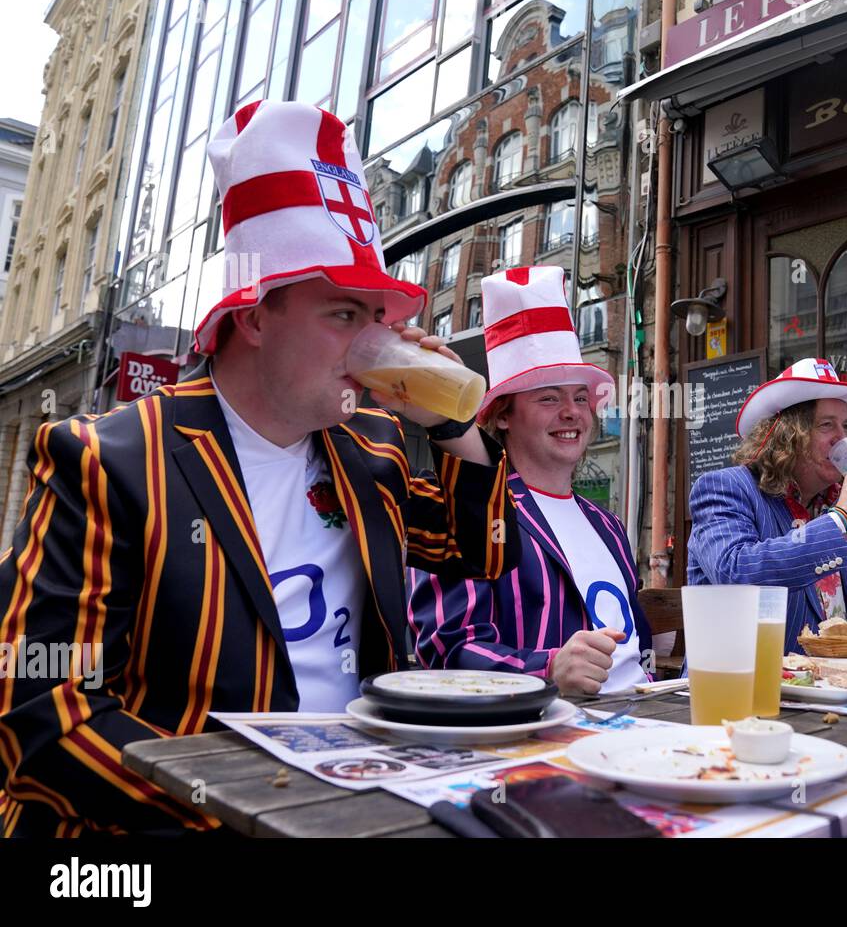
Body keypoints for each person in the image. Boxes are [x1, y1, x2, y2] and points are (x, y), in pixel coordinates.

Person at [0, 101, 516, 836]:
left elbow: (483, 551)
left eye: (378, 319)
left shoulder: (372, 447)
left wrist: (453, 422)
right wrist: (246, 812)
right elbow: (46, 715)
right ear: (254, 317)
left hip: (363, 803)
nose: (372, 345)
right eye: (345, 316)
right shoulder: (108, 461)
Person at [408, 266, 653, 696]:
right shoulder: (466, 506)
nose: (572, 412)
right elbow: (447, 651)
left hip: (649, 730)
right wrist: (548, 669)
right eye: (548, 398)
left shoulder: (609, 526)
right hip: (548, 739)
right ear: (502, 414)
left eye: (580, 397)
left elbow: (641, 651)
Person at [687, 358, 847, 653]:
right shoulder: (726, 488)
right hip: (742, 687)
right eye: (827, 425)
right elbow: (737, 573)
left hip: (830, 687)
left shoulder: (835, 510)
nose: (843, 437)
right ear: (789, 436)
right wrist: (840, 517)